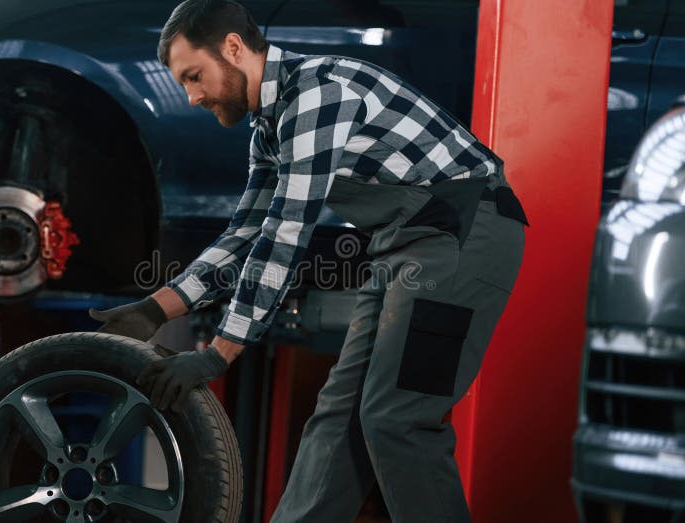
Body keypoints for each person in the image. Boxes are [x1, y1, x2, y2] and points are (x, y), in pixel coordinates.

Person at [89, 1, 529, 521]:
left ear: (233, 48)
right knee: (339, 417)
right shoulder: (270, 130)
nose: (192, 96)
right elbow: (243, 235)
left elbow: (284, 234)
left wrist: (219, 353)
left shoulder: (318, 93)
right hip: (405, 246)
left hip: (466, 236)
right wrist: (156, 310)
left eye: (194, 76)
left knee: (398, 419)